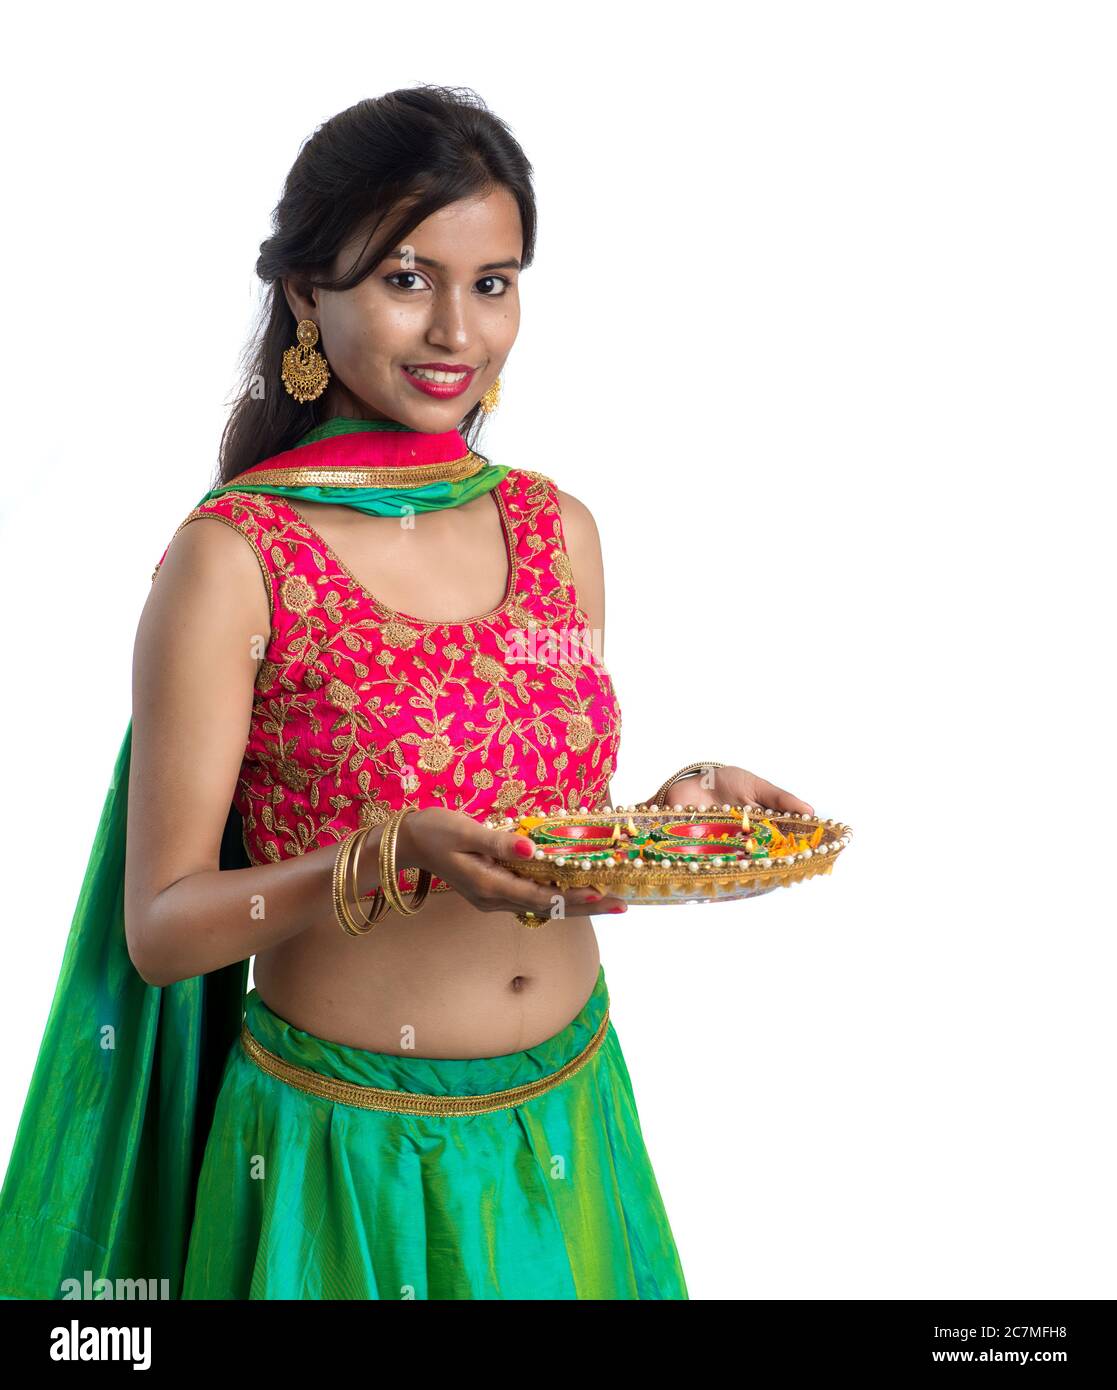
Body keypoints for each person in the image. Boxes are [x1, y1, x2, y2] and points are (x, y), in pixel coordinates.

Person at [0, 84, 812, 1301]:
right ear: (304, 296)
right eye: (404, 278)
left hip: (569, 1119)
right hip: (346, 1160)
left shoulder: (556, 529)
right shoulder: (238, 560)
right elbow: (161, 929)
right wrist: (384, 854)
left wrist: (668, 814)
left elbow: (539, 835)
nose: (455, 332)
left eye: (492, 282)